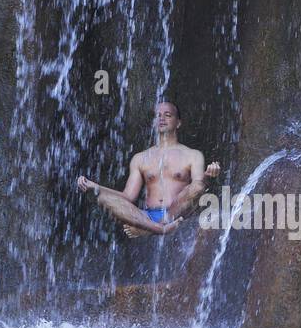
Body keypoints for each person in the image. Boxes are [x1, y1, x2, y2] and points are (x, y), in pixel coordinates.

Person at [76, 101, 220, 237]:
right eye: (158, 115)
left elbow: (198, 188)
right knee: (102, 197)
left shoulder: (193, 155)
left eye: (168, 115)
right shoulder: (140, 158)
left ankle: (151, 228)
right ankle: (158, 228)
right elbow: (128, 197)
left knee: (197, 185)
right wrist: (96, 187)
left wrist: (208, 175)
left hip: (177, 212)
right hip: (147, 215)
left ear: (178, 123)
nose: (162, 118)